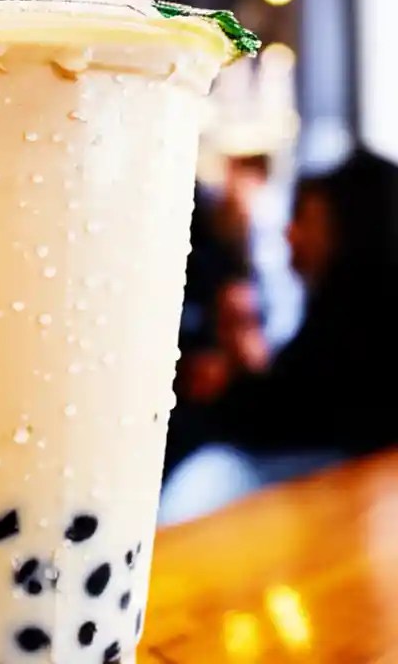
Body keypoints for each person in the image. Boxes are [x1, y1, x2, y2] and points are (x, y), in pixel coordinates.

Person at [161, 149, 398, 523]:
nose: (290, 234)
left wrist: (234, 378)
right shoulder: (345, 310)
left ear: (350, 226)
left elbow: (285, 419)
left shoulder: (355, 320)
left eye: (303, 217)